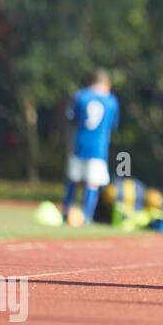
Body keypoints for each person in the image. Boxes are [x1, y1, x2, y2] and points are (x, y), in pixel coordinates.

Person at [62, 69, 120, 224]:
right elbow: (112, 126)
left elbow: (71, 119)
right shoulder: (111, 101)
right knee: (92, 182)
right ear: (106, 83)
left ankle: (66, 211)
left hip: (79, 143)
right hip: (98, 148)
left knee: (73, 180)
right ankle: (87, 216)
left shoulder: (81, 95)